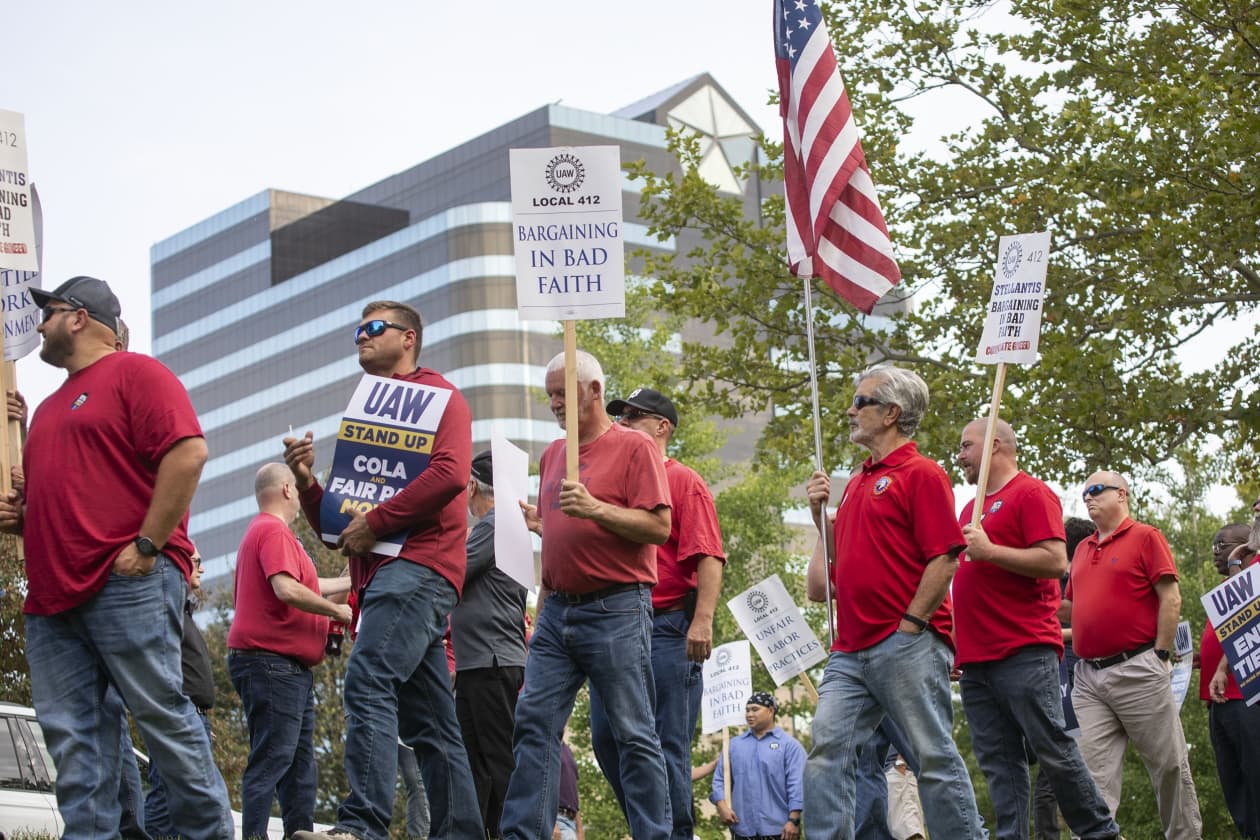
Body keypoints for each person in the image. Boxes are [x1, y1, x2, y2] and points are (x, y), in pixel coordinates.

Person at [0, 276, 233, 839]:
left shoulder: (137, 373)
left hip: (126, 581)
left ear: (79, 317)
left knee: (162, 718)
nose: (40, 324)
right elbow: (76, 495)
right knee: (74, 742)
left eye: (49, 312)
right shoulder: (50, 408)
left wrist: (148, 545)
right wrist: (23, 515)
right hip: (53, 601)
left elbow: (188, 453)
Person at [288, 300, 482, 840]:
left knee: (369, 679)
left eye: (373, 328)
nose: (361, 337)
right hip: (383, 578)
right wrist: (308, 483)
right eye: (357, 330)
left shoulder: (441, 396)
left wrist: (376, 521)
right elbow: (339, 529)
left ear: (409, 338)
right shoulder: (369, 413)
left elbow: (451, 474)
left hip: (419, 568)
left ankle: (362, 826)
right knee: (432, 724)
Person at [803, 364, 983, 840]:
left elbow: (945, 557)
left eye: (860, 402)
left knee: (931, 756)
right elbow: (842, 559)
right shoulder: (858, 481)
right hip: (850, 649)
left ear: (891, 413)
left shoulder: (921, 473)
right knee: (827, 751)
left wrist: (910, 625)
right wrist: (819, 517)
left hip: (905, 642)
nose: (850, 411)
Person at [501, 349, 672, 840]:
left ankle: (654, 835)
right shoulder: (553, 454)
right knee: (533, 721)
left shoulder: (636, 447)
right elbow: (564, 536)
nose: (555, 403)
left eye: (563, 393)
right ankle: (523, 834)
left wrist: (595, 508)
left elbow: (658, 527)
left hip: (616, 608)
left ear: (594, 391)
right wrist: (543, 530)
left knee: (632, 732)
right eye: (550, 395)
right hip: (557, 611)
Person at [953, 418, 1120, 840]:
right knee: (998, 761)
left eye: (966, 446)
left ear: (995, 445)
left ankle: (1101, 833)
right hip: (976, 660)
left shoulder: (1031, 493)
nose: (960, 456)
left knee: (1053, 750)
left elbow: (1054, 561)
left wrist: (990, 550)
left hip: (1023, 652)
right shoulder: (969, 510)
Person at [591, 387, 726, 840]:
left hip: (668, 628)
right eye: (620, 416)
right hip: (615, 625)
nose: (622, 424)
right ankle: (650, 829)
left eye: (633, 416)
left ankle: (675, 834)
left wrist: (702, 620)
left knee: (668, 743)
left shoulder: (683, 480)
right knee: (606, 737)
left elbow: (709, 555)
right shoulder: (616, 484)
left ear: (662, 427)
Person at [1061, 470, 1202, 838]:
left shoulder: (1145, 537)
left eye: (1096, 490)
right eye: (1084, 493)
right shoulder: (1081, 549)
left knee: (1169, 767)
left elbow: (1170, 598)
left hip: (1138, 668)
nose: (1088, 497)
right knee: (1089, 778)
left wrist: (1160, 654)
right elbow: (1071, 609)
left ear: (1121, 494)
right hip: (1088, 678)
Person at [228, 463, 354, 838]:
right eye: (297, 489)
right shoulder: (273, 531)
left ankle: (299, 832)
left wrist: (350, 578)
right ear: (286, 489)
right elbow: (286, 588)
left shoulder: (269, 534)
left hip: (286, 667)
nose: (300, 497)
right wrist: (335, 611)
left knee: (299, 765)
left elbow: (309, 584)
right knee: (273, 758)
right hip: (272, 662)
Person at [449, 449, 528, 838]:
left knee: (496, 760)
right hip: (480, 662)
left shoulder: (494, 525)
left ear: (472, 486)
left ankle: (516, 831)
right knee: (477, 765)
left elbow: (453, 571)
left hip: (490, 662)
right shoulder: (507, 525)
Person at [145, 544, 218, 836]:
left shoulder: (182, 611)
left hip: (193, 716)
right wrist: (183, 714)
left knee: (192, 802)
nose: (202, 568)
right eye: (197, 561)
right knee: (166, 796)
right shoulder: (164, 607)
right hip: (180, 715)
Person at [1032, 516, 1094, 840]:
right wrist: (1084, 630)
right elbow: (1050, 626)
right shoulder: (1062, 580)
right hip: (1064, 673)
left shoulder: (1069, 577)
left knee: (1071, 757)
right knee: (1058, 759)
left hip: (1073, 670)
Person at [1204, 519, 1259, 838]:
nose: (1215, 553)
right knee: (1235, 790)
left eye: (1221, 546)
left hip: (1247, 699)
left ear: (1245, 544)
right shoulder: (1225, 588)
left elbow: (1248, 628)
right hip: (1220, 703)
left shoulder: (1255, 574)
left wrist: (1223, 668)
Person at [710, 692, 804, 840]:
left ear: (770, 711)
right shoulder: (733, 746)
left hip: (781, 830)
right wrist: (722, 807)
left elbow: (797, 785)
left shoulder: (790, 746)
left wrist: (794, 820)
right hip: (742, 830)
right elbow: (719, 779)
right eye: (747, 710)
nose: (749, 714)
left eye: (755, 709)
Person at [553, 741, 585, 840]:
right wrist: (551, 822)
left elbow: (572, 791)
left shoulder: (567, 749)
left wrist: (580, 829)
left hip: (572, 823)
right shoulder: (546, 744)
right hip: (556, 820)